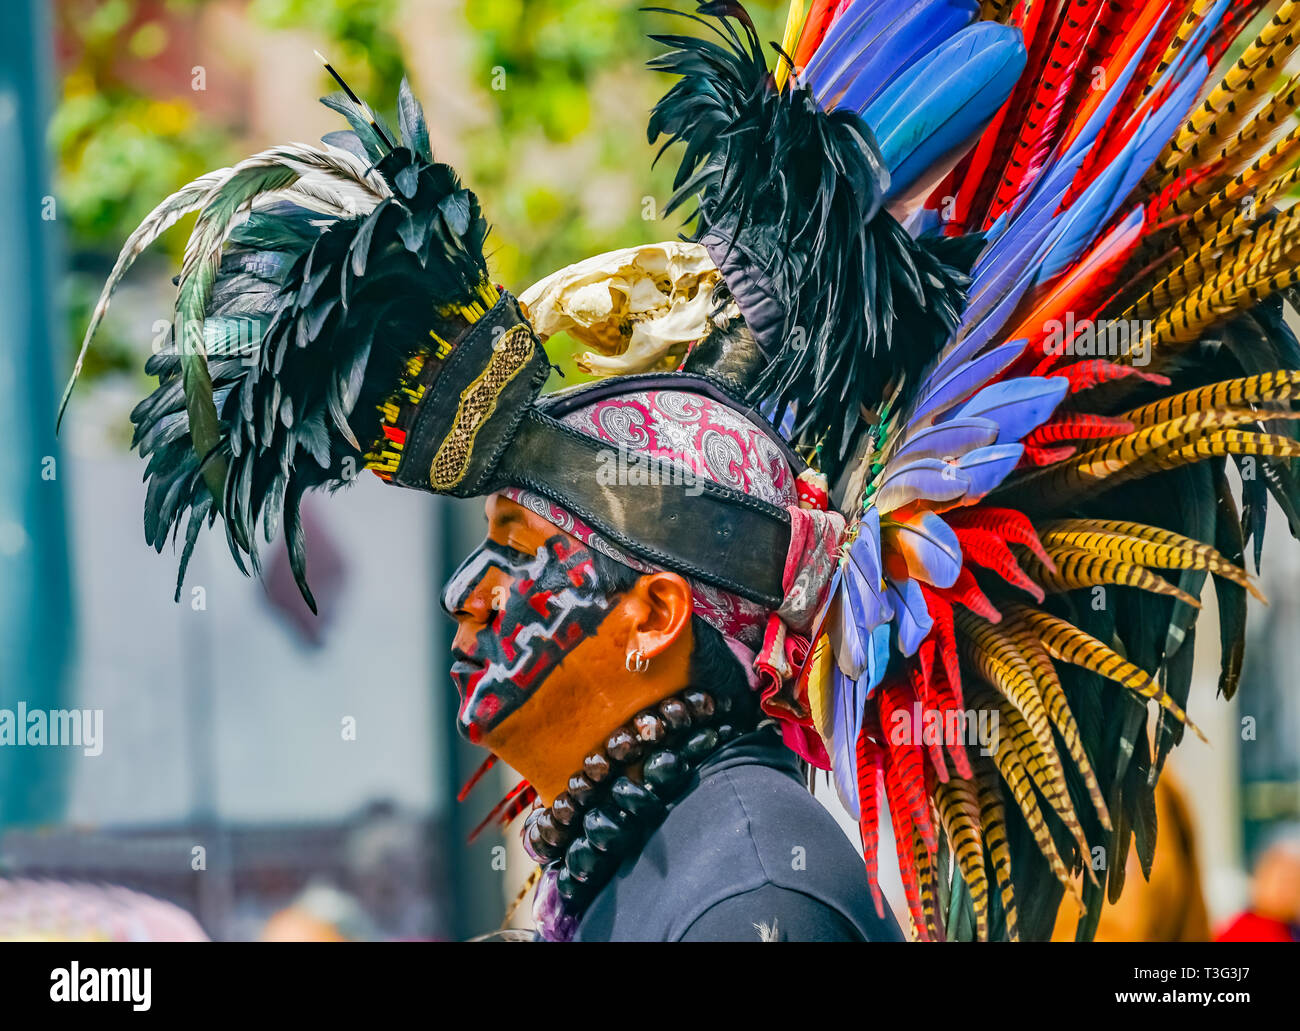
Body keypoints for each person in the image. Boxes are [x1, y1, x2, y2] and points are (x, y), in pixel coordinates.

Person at [68, 1, 1300, 940]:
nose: (467, 594)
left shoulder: (753, 886)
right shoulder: (672, 857)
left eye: (518, 553)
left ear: (658, 612)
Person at [1217, 833, 1300, 943]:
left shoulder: (1291, 929)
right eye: (1283, 880)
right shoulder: (1240, 931)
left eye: (1294, 881)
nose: (1288, 889)